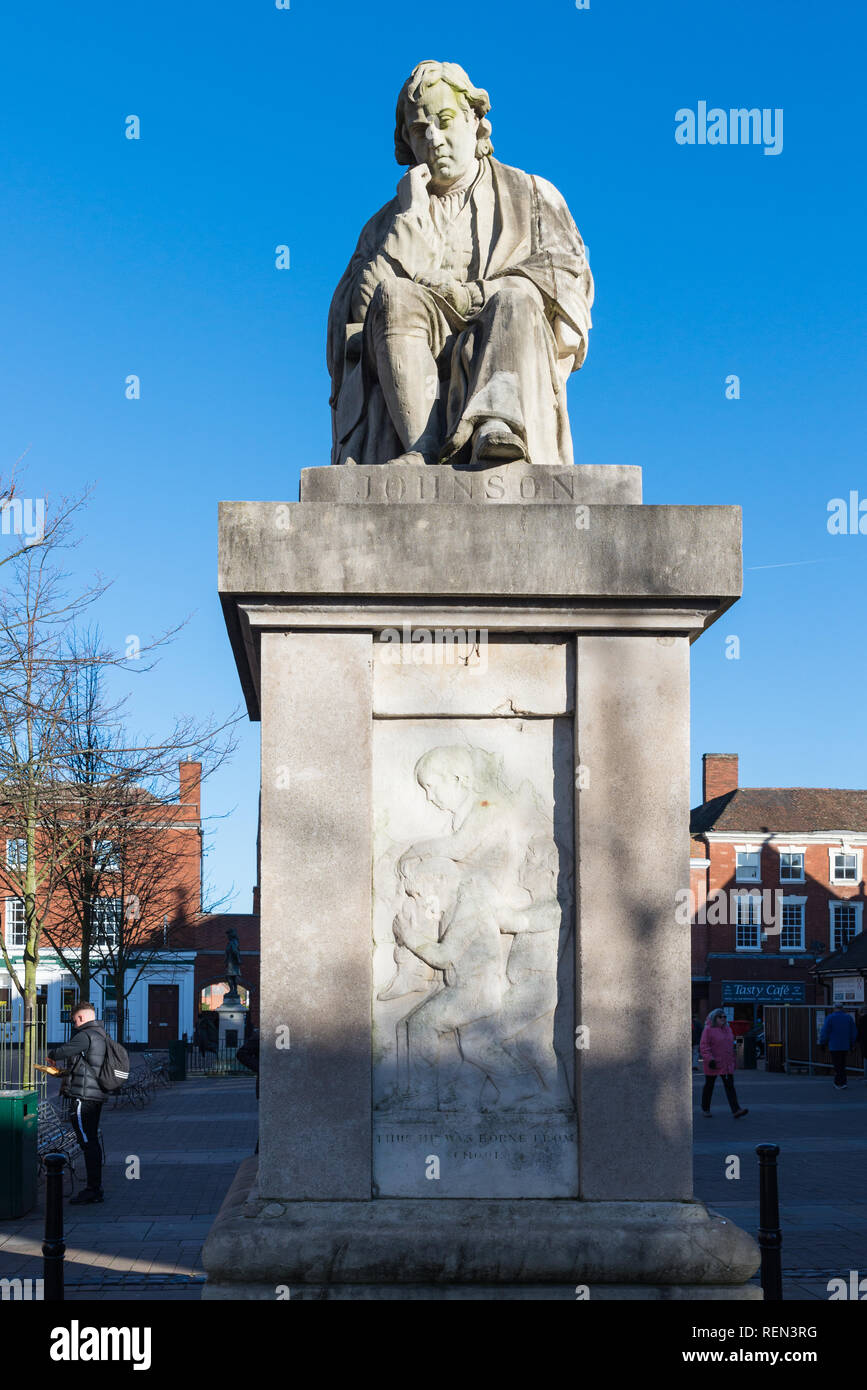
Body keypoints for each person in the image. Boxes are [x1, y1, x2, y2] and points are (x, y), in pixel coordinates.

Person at [328, 61, 594, 470]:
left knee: (514, 301)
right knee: (395, 296)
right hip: (417, 340)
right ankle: (422, 447)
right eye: (419, 130)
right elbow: (360, 313)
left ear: (474, 121)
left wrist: (474, 295)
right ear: (408, 143)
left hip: (504, 328)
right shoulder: (385, 222)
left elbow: (566, 276)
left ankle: (496, 423)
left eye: (445, 120)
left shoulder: (532, 195)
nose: (433, 139)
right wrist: (411, 218)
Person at [46, 1001, 109, 1204]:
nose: (74, 1025)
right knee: (91, 1140)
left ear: (80, 1018)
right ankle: (95, 1187)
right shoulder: (101, 1033)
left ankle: (93, 1189)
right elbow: (87, 1066)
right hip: (95, 1093)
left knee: (87, 1142)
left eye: (74, 1021)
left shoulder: (85, 1034)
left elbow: (62, 1051)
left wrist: (51, 1056)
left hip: (83, 1097)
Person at [699, 1009, 748, 1118]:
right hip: (713, 1063)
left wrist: (733, 1060)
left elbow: (730, 1046)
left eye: (725, 1017)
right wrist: (709, 1059)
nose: (723, 1019)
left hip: (726, 1064)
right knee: (709, 1086)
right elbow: (704, 1047)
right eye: (720, 1017)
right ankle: (705, 1109)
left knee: (730, 1086)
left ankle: (736, 1110)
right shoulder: (708, 1030)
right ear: (714, 1018)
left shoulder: (728, 1029)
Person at [819, 1003, 857, 1089]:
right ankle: (843, 1082)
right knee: (842, 1064)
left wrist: (822, 1042)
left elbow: (825, 1032)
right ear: (842, 1008)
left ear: (834, 1008)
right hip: (845, 1045)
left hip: (834, 1045)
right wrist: (852, 1043)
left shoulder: (830, 1018)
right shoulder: (848, 1018)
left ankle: (838, 1082)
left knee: (837, 1064)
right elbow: (853, 1032)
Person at [857, 1007, 867, 1082]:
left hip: (864, 1042)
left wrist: (856, 1040)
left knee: (866, 1058)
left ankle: (866, 1076)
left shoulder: (861, 1020)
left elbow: (859, 1032)